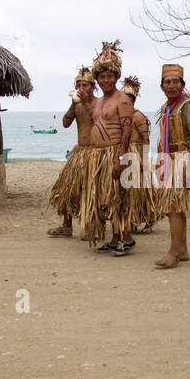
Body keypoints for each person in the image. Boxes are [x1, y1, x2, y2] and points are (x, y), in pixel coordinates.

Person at [81, 42, 136, 255]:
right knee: (107, 199)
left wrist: (120, 160)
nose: (105, 80)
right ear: (97, 79)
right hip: (98, 156)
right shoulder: (99, 101)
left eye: (109, 76)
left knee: (118, 198)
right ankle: (115, 239)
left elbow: (126, 131)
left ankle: (128, 238)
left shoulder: (122, 100)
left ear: (116, 77)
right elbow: (96, 119)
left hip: (114, 153)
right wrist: (84, 99)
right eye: (101, 77)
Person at [153, 64, 190, 269]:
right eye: (167, 82)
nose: (171, 85)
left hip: (184, 158)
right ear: (161, 86)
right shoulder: (167, 107)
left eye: (175, 81)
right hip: (170, 159)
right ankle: (182, 249)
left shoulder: (189, 106)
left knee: (173, 206)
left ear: (183, 84)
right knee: (175, 207)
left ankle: (173, 252)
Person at [47, 67, 96, 237]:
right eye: (79, 85)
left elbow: (100, 121)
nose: (81, 89)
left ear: (93, 87)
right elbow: (65, 124)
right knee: (67, 189)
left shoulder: (99, 103)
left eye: (85, 85)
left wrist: (87, 104)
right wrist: (72, 105)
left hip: (95, 153)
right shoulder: (76, 106)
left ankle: (92, 225)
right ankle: (66, 225)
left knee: (91, 191)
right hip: (79, 153)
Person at [120, 76, 159, 233]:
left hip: (136, 155)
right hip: (125, 154)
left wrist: (143, 159)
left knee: (139, 191)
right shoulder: (122, 117)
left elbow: (146, 139)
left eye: (129, 99)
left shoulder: (138, 116)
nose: (126, 101)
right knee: (128, 191)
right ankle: (131, 220)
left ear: (134, 100)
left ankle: (146, 218)